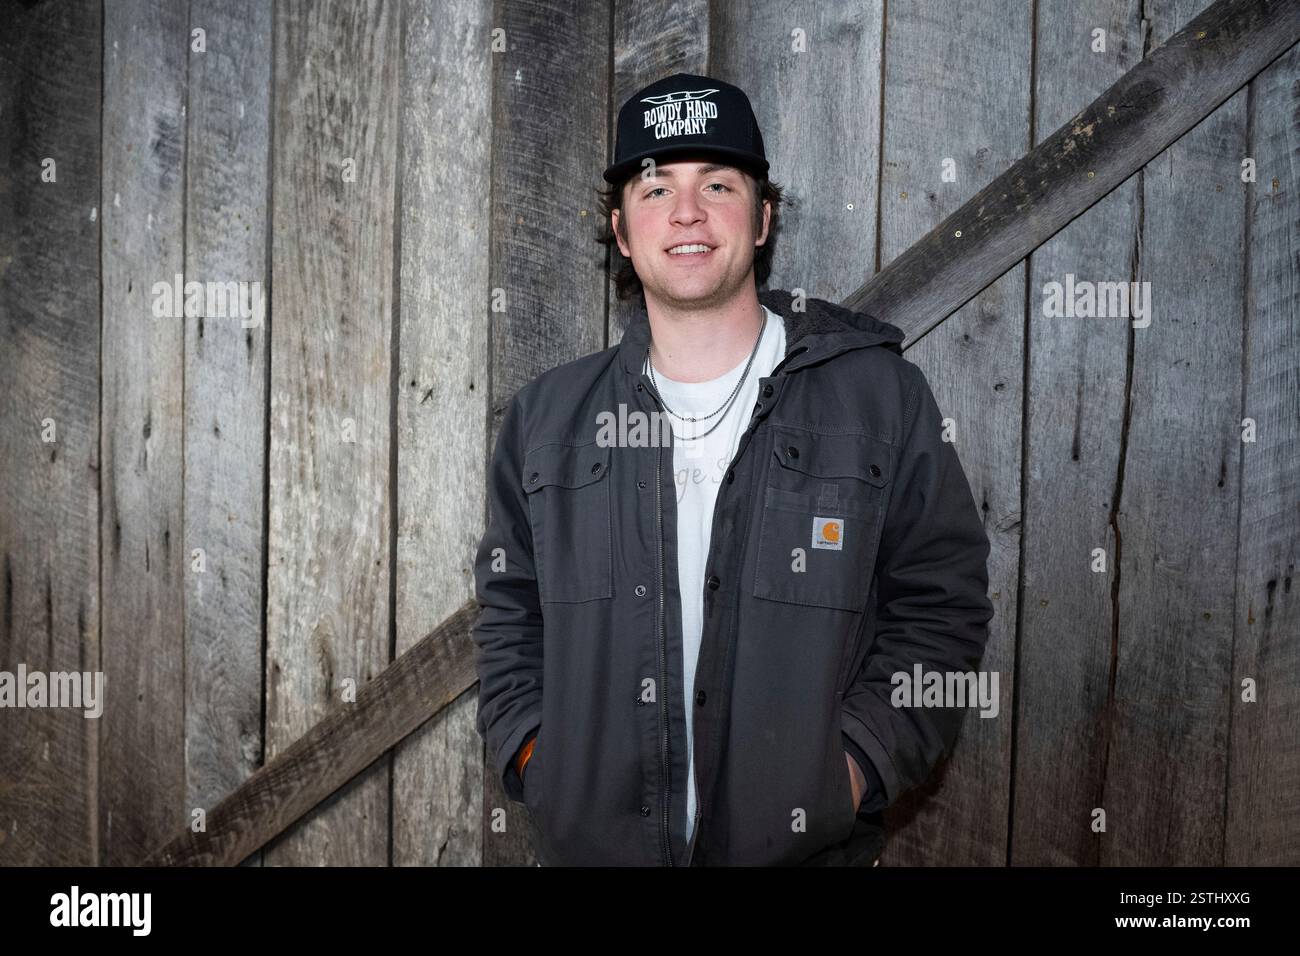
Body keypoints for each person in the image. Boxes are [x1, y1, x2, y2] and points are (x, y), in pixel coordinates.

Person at [471, 72, 994, 866]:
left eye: (717, 183)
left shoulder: (878, 400)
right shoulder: (546, 422)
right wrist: (540, 760)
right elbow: (509, 615)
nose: (686, 212)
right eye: (656, 189)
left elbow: (940, 605)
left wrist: (851, 771)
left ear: (762, 218)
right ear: (619, 229)